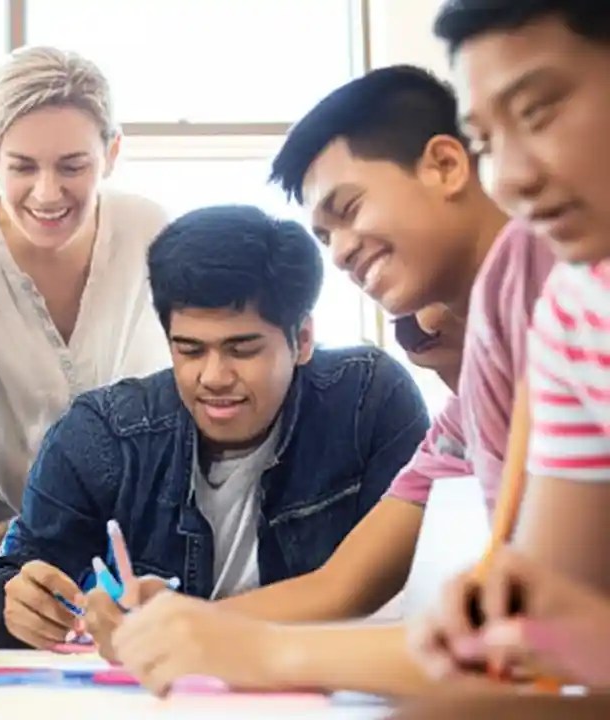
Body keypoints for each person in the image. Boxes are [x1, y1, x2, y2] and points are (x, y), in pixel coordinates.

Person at [110, 65, 556, 697]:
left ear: (447, 165)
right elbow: (344, 583)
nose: (341, 250)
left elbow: (550, 632)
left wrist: (266, 652)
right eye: (325, 235)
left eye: (348, 210)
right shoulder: (474, 389)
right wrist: (178, 625)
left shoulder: (555, 282)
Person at [0, 204, 429, 654]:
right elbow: (9, 581)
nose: (213, 377)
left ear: (303, 339)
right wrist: (18, 602)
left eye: (243, 349)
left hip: (319, 680)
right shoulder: (102, 435)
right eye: (189, 350)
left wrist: (190, 626)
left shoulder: (368, 402)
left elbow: (385, 588)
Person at [0, 45, 172, 617]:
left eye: (73, 166)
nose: (47, 193)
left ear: (111, 153)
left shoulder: (153, 233)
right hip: (6, 558)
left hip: (148, 549)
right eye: (22, 167)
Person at [410, 0, 610, 689]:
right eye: (487, 142)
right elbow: (549, 628)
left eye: (538, 113)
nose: (512, 179)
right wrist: (494, 627)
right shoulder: (577, 309)